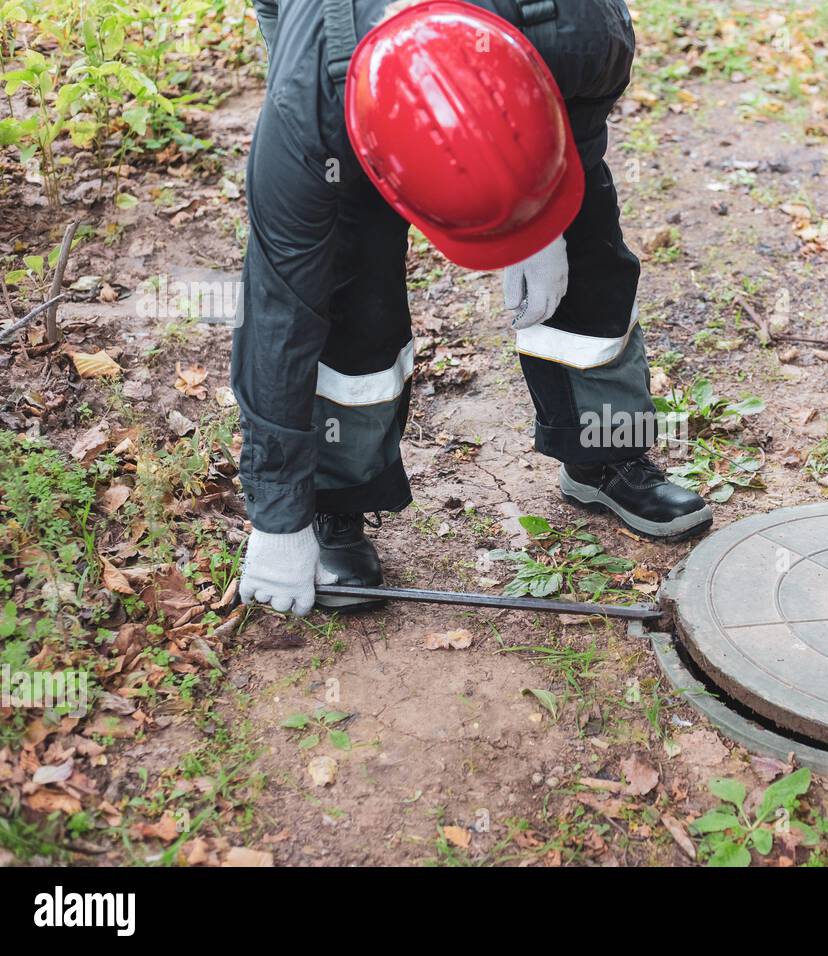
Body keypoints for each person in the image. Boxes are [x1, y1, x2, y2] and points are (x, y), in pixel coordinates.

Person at [234, 0, 711, 616]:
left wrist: (540, 209)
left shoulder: (583, 32)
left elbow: (584, 120)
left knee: (587, 238)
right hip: (338, 54)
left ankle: (604, 452)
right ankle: (331, 500)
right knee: (350, 283)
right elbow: (280, 312)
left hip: (535, 49)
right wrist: (278, 521)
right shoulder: (312, 110)